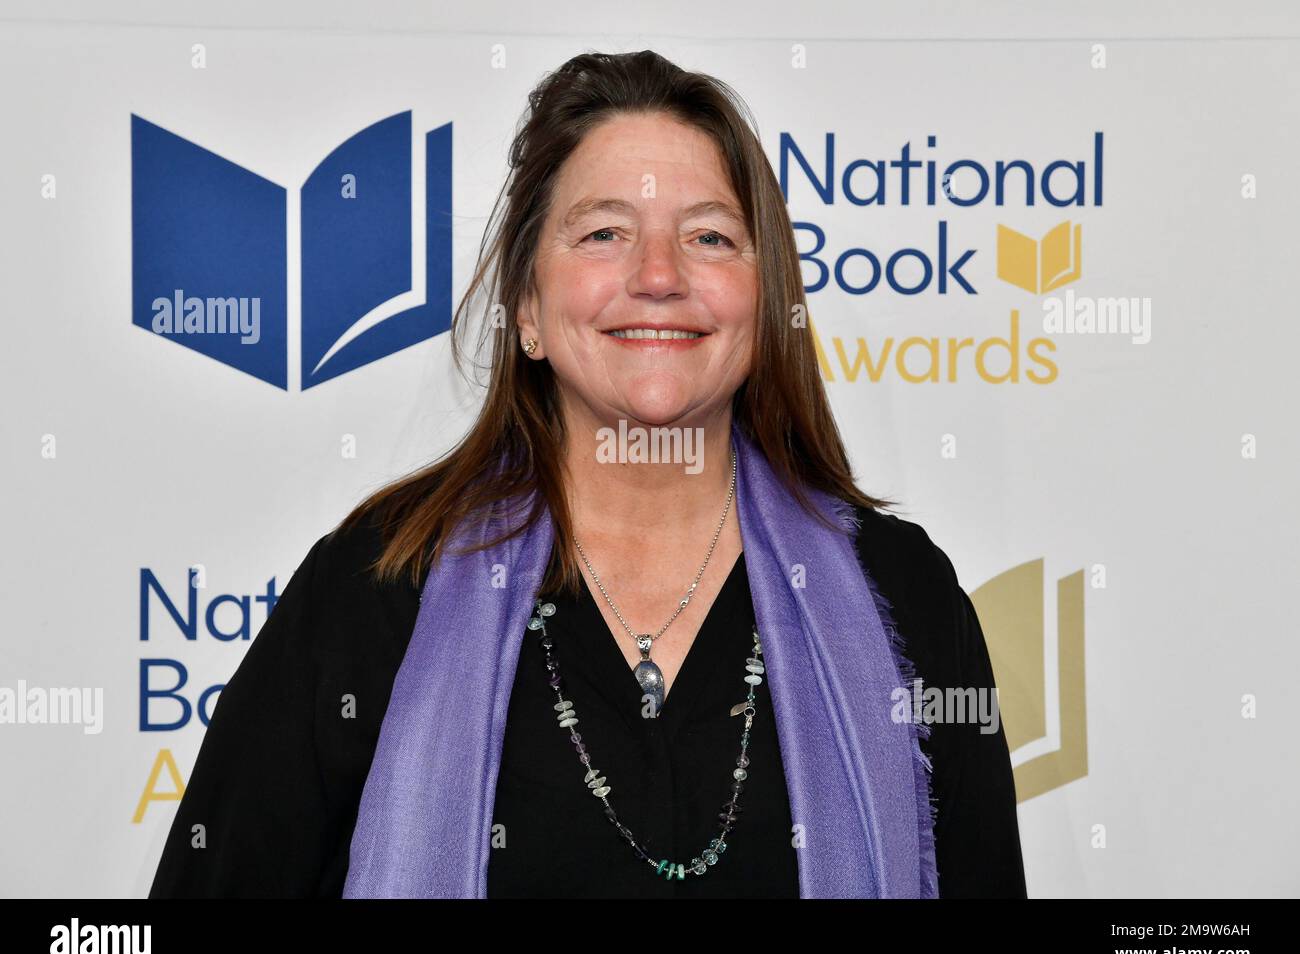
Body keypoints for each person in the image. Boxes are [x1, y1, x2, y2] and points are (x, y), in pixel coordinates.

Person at [149, 50, 1026, 899]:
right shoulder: (375, 589)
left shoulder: (902, 594)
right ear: (527, 307)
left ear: (765, 304)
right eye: (604, 232)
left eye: (710, 236)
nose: (657, 276)